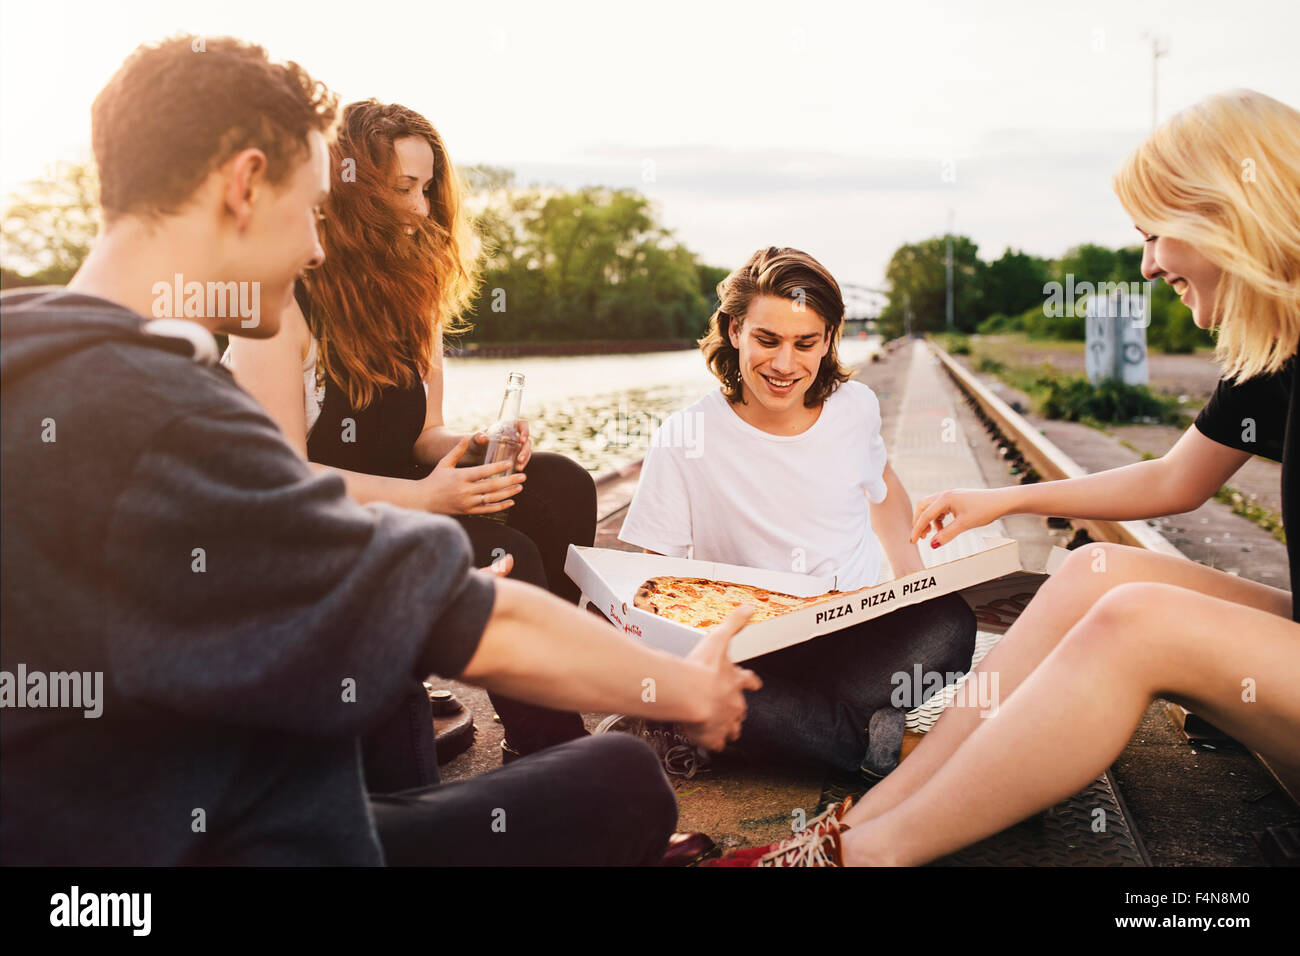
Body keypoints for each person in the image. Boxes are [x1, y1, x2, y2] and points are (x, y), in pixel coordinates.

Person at [0, 34, 760, 867]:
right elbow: (480, 625)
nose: (318, 246)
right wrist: (686, 686)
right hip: (248, 841)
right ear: (245, 185)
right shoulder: (168, 418)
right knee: (623, 777)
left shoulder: (37, 362)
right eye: (308, 205)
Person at [710, 89, 1300, 866]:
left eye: (1157, 234)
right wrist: (1006, 500)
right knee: (1094, 569)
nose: (1149, 263)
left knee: (1138, 622)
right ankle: (869, 816)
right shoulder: (1276, 344)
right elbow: (1175, 481)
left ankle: (864, 858)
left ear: (1228, 214)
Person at [223, 100, 589, 784]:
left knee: (559, 482)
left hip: (407, 503)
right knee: (506, 549)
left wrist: (476, 446)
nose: (421, 210)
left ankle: (536, 714)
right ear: (349, 189)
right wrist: (429, 498)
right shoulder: (280, 303)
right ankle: (560, 755)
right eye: (402, 189)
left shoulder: (412, 294)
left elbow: (424, 434)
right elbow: (280, 476)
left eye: (428, 189)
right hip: (316, 535)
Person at [615, 246, 977, 779]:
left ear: (829, 339)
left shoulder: (856, 408)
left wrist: (913, 588)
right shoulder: (684, 437)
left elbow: (884, 489)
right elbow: (657, 583)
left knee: (950, 624)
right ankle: (879, 744)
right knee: (743, 701)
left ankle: (800, 733)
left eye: (804, 343)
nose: (784, 365)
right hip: (754, 655)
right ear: (735, 330)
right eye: (767, 340)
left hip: (852, 637)